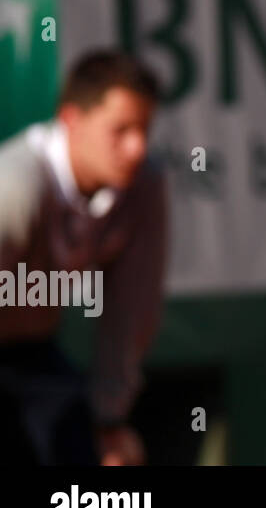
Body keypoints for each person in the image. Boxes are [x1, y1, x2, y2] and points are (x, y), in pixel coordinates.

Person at [0, 50, 169, 465]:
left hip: (34, 356)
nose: (137, 147)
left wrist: (109, 423)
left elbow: (132, 309)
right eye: (121, 130)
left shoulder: (143, 185)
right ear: (71, 119)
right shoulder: (14, 189)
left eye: (145, 129)